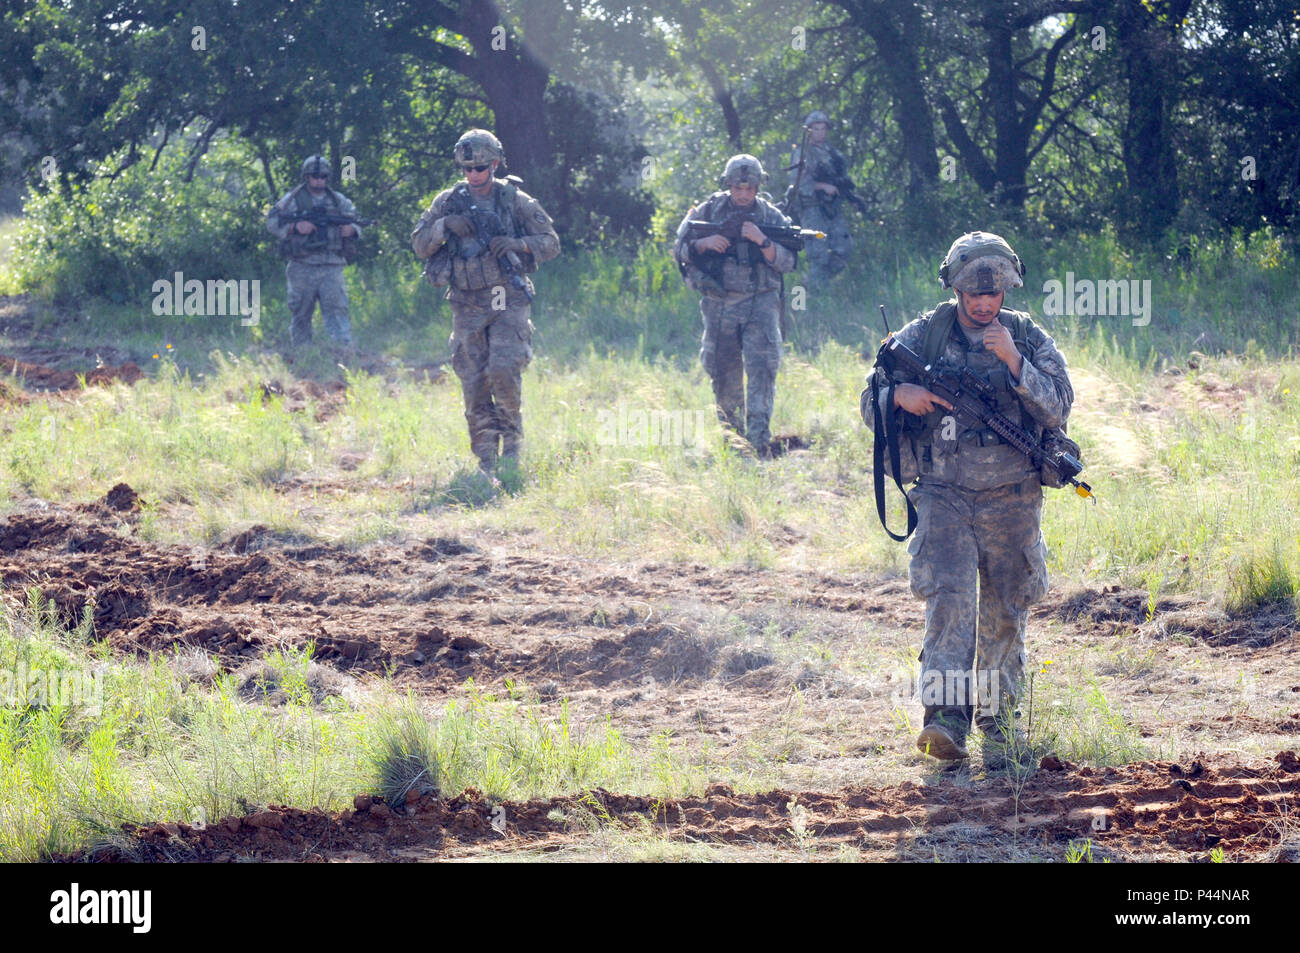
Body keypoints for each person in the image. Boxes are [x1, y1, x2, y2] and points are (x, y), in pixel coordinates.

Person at [866, 231, 1074, 769]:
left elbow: (1057, 409)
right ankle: (945, 721)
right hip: (944, 493)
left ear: (1007, 291)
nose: (984, 305)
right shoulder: (925, 335)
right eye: (973, 295)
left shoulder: (1025, 337)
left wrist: (1013, 363)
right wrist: (898, 397)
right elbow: (870, 398)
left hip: (1012, 496)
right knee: (949, 603)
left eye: (994, 295)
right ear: (955, 289)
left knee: (1005, 609)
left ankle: (1000, 724)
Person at [411, 129, 560, 476]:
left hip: (506, 296)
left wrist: (517, 245)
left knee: (503, 370)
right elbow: (419, 245)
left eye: (481, 168)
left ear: (494, 164)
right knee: (474, 382)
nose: (474, 175)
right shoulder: (448, 202)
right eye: (467, 169)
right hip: (466, 302)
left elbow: (550, 242)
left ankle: (513, 448)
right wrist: (445, 226)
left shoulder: (514, 199)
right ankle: (486, 461)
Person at [674, 154, 796, 454]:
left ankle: (759, 440)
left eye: (750, 188)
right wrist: (705, 243)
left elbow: (789, 261)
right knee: (722, 369)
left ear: (758, 187)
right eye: (737, 188)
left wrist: (762, 242)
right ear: (728, 185)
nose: (743, 194)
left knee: (762, 368)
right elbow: (679, 249)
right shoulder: (708, 210)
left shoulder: (770, 216)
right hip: (720, 303)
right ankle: (734, 440)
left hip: (761, 302)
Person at [266, 155, 364, 349]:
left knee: (337, 310)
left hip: (331, 265)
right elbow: (271, 222)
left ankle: (342, 353)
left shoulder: (338, 200)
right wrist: (294, 227)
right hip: (302, 264)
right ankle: (303, 354)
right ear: (307, 176)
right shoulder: (293, 200)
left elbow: (356, 220)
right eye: (315, 176)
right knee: (301, 312)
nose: (319, 180)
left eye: (323, 176)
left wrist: (352, 230)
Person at [789, 111, 854, 283]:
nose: (820, 132)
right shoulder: (802, 154)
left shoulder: (832, 153)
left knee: (844, 249)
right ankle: (816, 295)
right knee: (818, 255)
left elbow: (841, 177)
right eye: (816, 129)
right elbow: (798, 184)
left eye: (823, 128)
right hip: (812, 208)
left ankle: (814, 281)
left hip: (832, 208)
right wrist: (823, 186)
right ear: (809, 131)